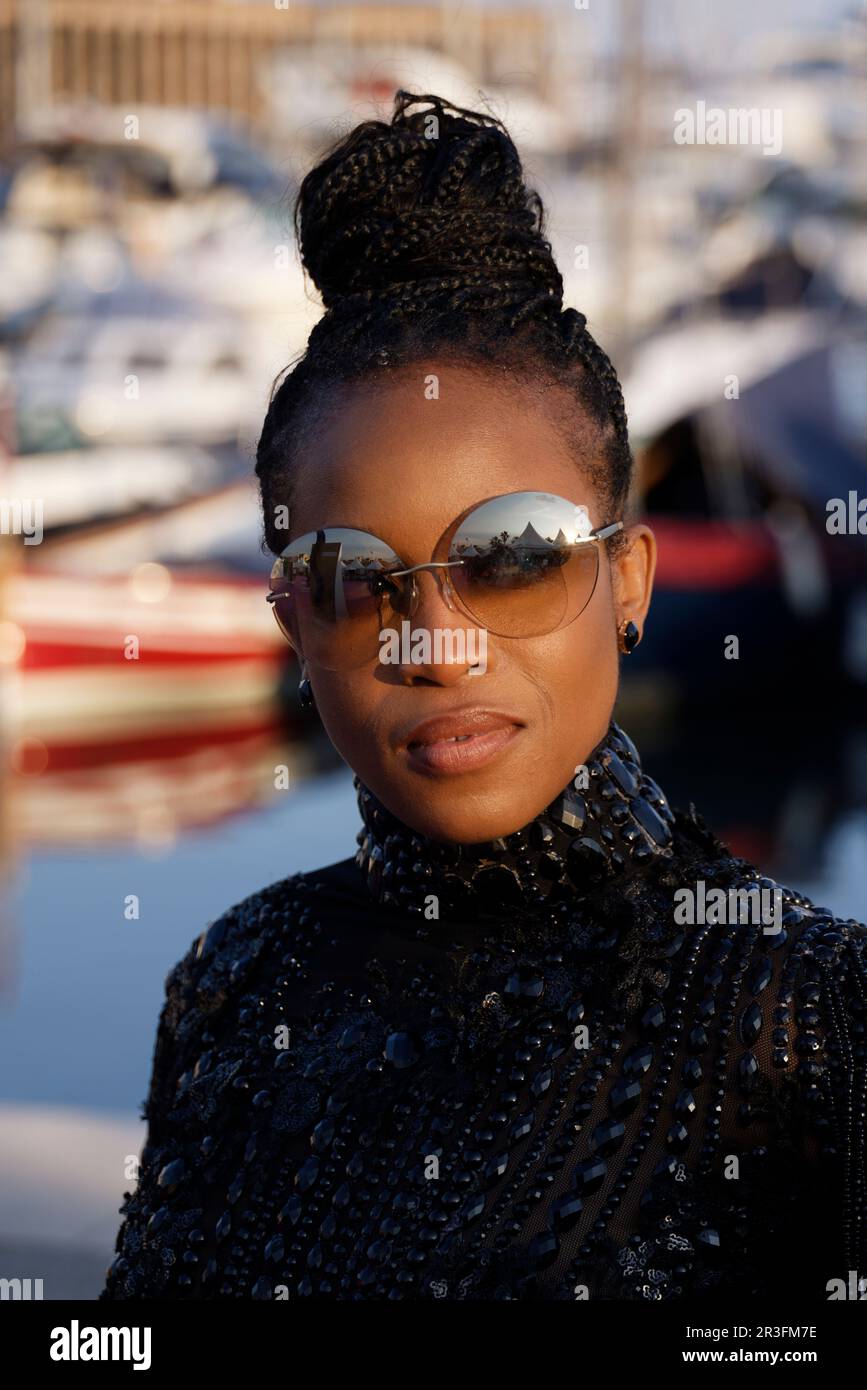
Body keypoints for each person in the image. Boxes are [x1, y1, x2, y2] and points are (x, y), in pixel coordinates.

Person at [102, 93, 866, 1302]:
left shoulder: (809, 1011)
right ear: (293, 620)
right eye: (355, 579)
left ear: (627, 577)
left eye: (514, 553)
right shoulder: (235, 977)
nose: (437, 644)